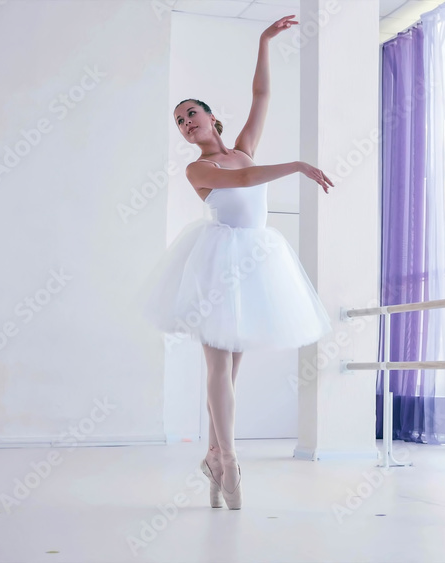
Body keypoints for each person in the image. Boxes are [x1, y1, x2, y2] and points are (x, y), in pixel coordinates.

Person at [135, 16, 333, 510]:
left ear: (211, 117)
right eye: (179, 121)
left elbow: (262, 95)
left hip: (256, 265)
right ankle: (229, 459)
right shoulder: (199, 168)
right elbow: (243, 186)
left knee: (231, 374)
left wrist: (264, 42)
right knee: (217, 367)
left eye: (191, 113)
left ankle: (211, 454)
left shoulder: (243, 149)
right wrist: (294, 166)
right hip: (217, 266)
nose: (186, 122)